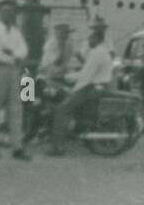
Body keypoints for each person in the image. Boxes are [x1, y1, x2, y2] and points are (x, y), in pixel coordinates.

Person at [46, 26, 116, 156]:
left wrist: (64, 77)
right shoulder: (102, 51)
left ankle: (58, 148)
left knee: (62, 109)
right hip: (98, 86)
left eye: (90, 37)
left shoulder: (97, 53)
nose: (88, 40)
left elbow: (85, 75)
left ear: (97, 39)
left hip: (92, 88)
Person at [0, 0, 30, 160]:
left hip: (14, 71)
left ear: (14, 14)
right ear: (0, 13)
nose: (7, 14)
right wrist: (12, 54)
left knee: (16, 109)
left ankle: (17, 147)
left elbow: (24, 50)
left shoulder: (16, 32)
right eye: (4, 11)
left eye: (11, 11)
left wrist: (13, 53)